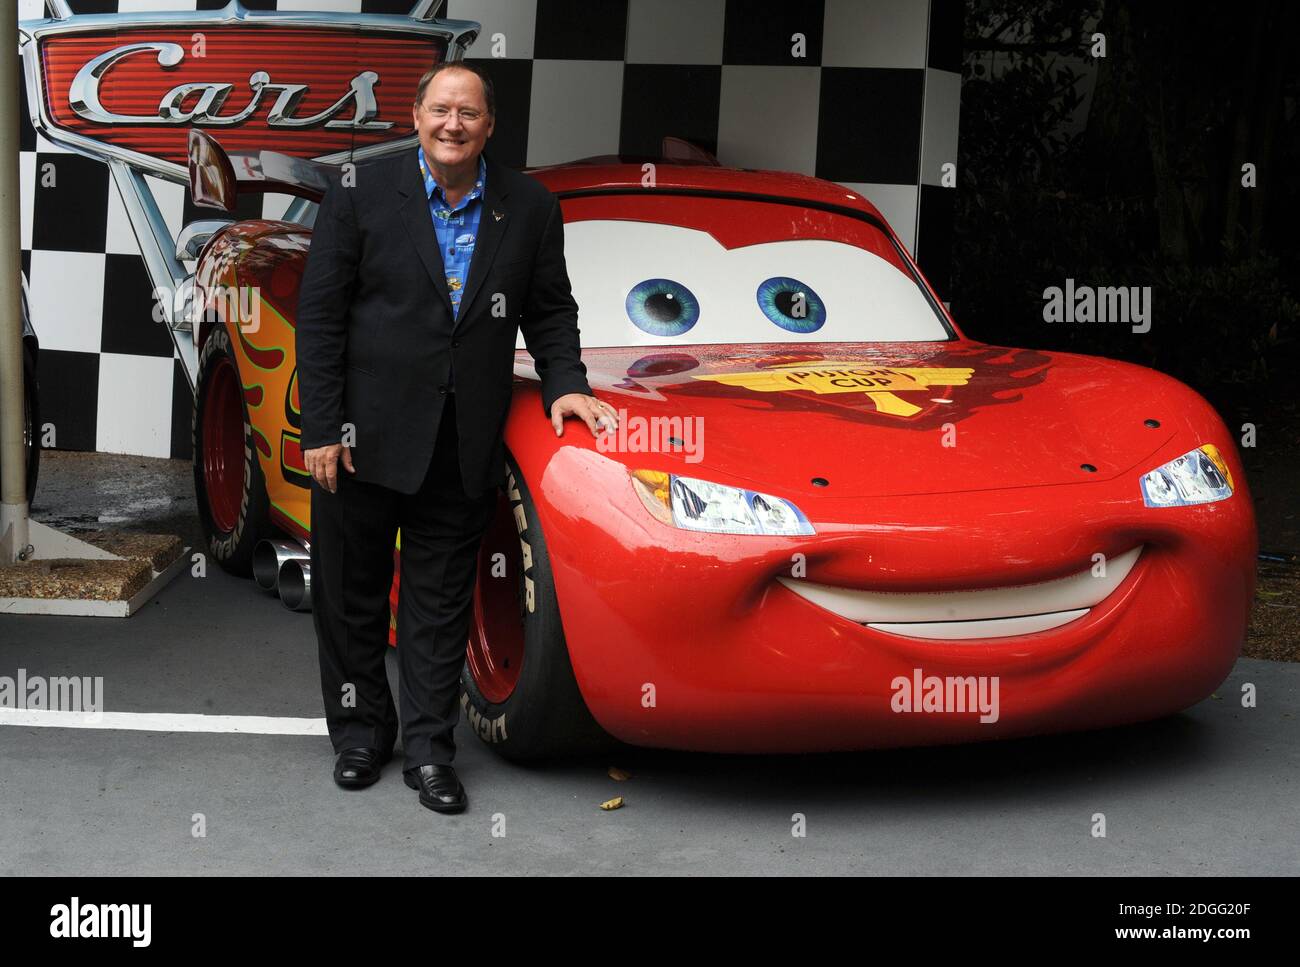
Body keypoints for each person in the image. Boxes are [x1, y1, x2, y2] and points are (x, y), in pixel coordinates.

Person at [295, 62, 618, 814]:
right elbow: (320, 315)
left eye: (468, 113)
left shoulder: (529, 206)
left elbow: (549, 307)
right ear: (414, 116)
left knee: (439, 606)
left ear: (489, 126)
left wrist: (567, 381)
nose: (453, 124)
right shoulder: (360, 191)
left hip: (460, 440)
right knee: (351, 596)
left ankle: (431, 752)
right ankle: (359, 735)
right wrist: (320, 425)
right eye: (440, 110)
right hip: (358, 438)